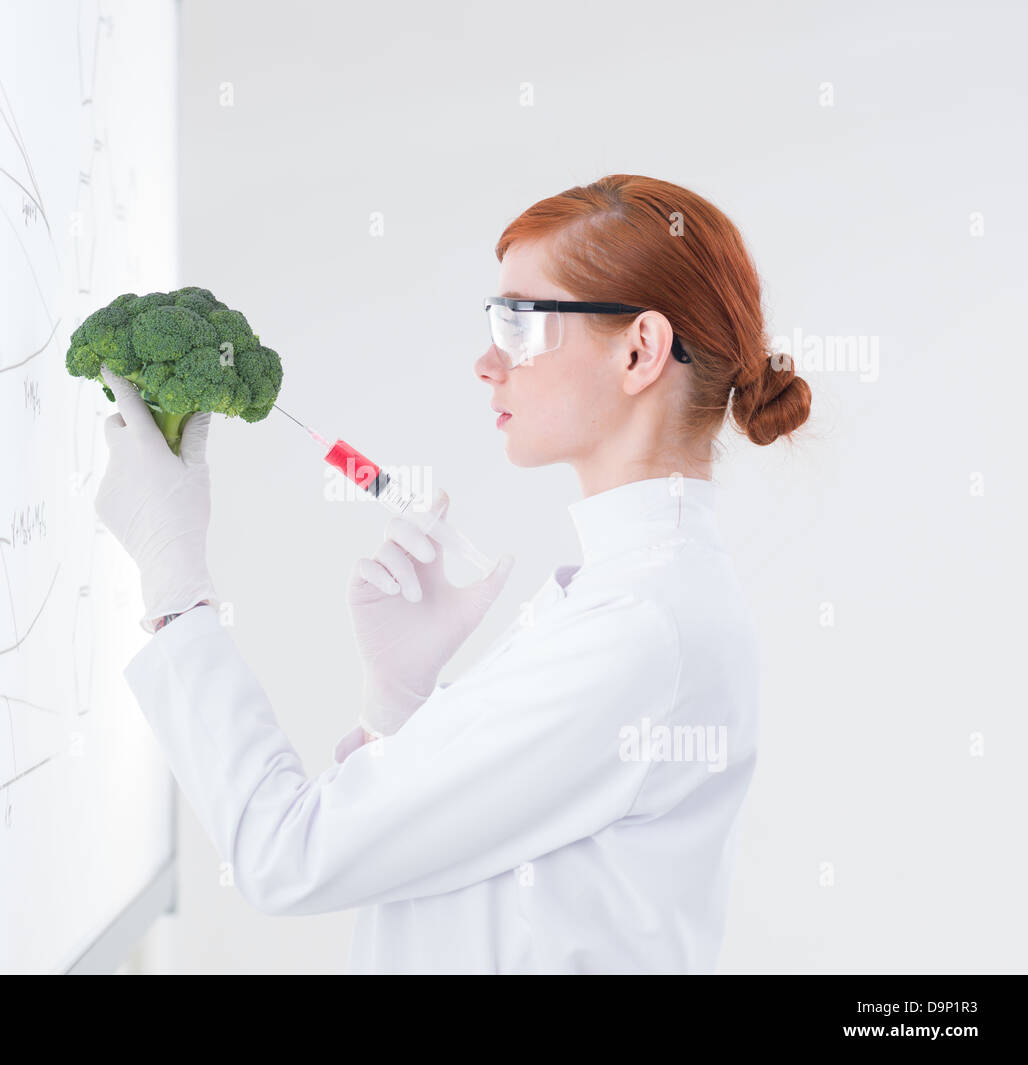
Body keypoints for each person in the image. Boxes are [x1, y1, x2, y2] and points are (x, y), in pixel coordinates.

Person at [93, 174, 812, 974]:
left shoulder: (638, 629)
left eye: (519, 322)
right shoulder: (636, 595)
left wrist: (175, 587)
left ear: (640, 350)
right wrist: (398, 710)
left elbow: (285, 854)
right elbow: (489, 874)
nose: (485, 361)